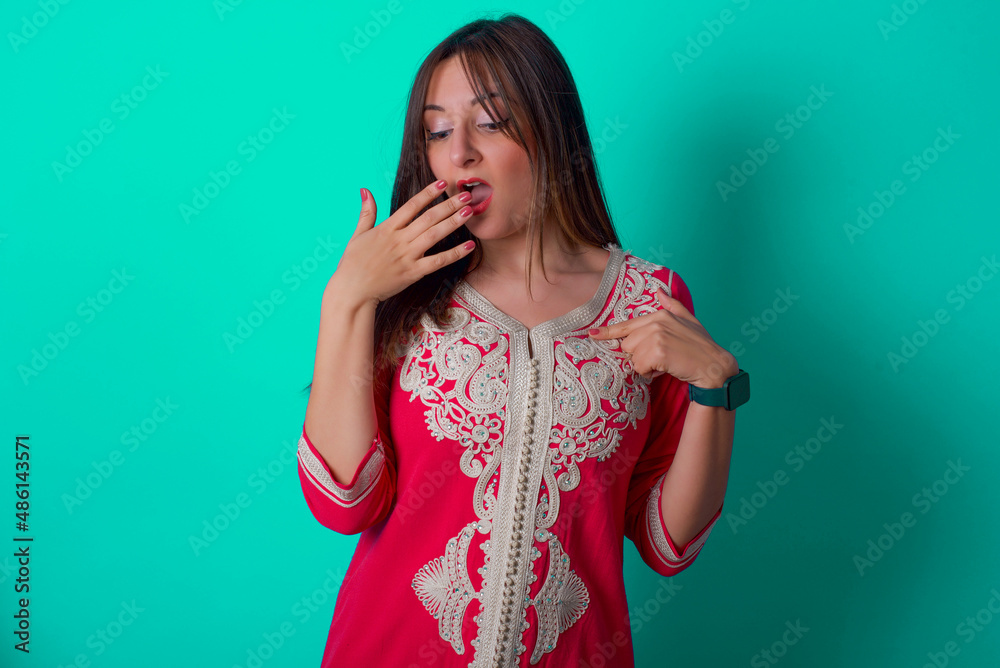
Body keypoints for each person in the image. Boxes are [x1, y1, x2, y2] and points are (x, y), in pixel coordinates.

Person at [297, 13, 744, 668]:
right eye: (438, 131)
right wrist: (346, 300)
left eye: (490, 122)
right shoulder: (401, 294)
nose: (459, 153)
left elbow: (668, 543)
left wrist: (716, 388)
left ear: (553, 132)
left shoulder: (650, 301)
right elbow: (344, 502)